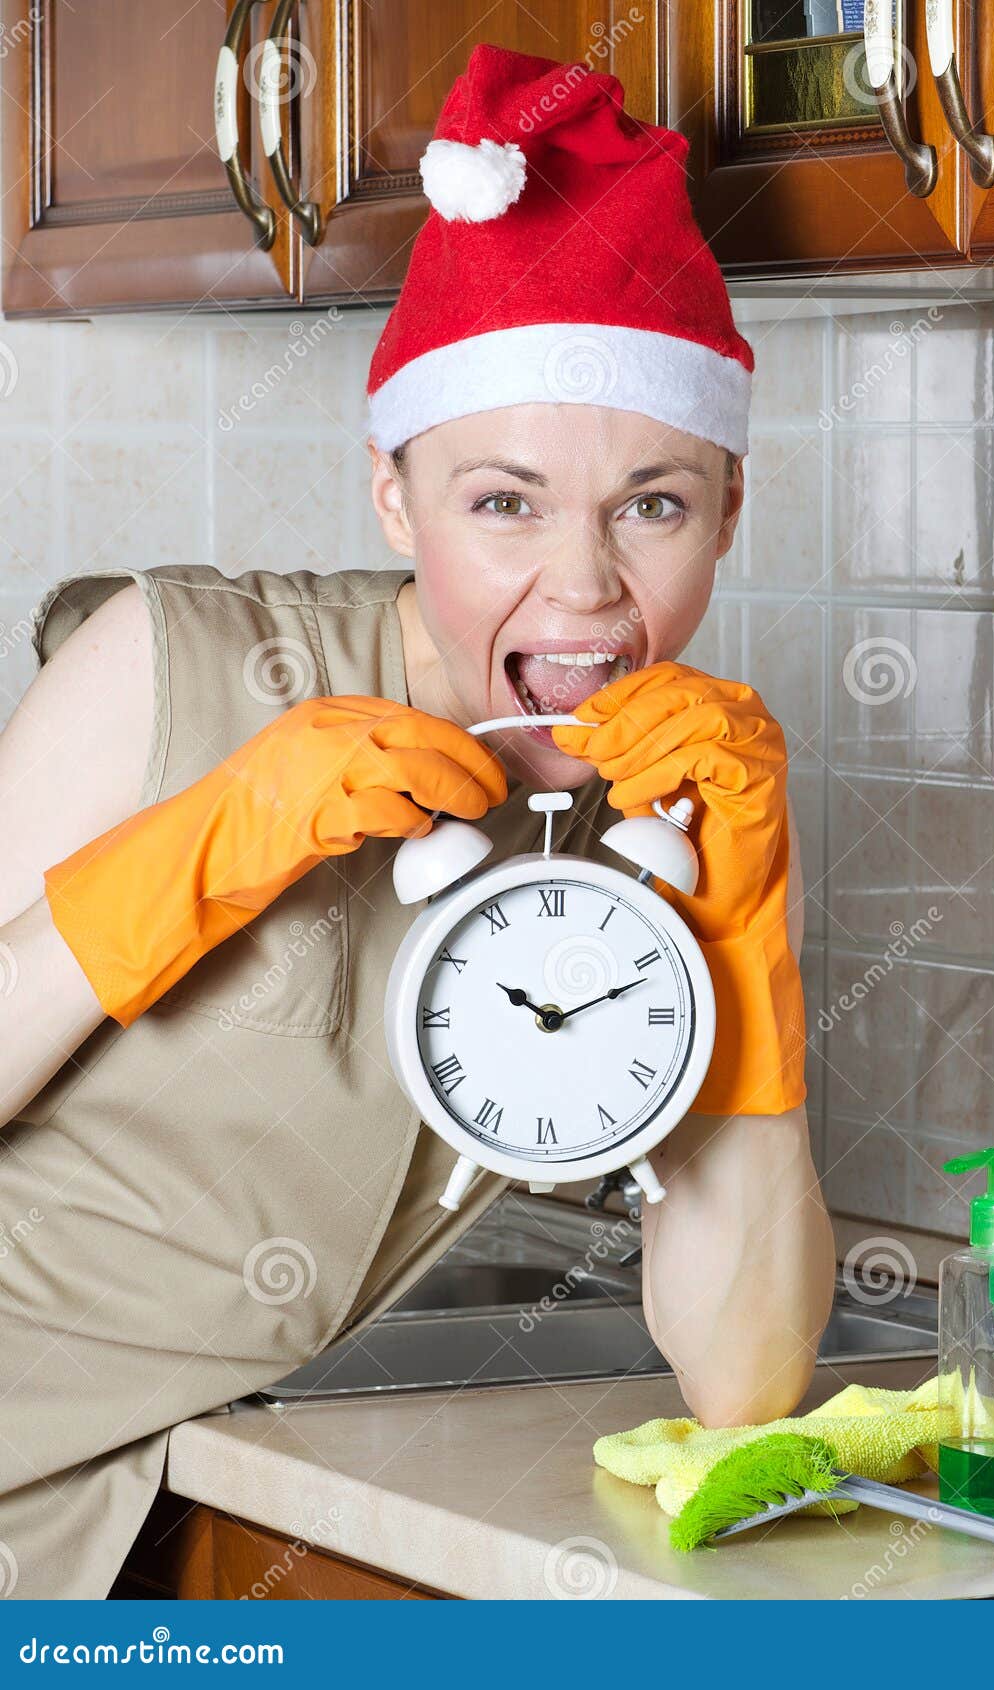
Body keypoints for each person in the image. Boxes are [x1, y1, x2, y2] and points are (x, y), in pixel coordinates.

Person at [0, 42, 833, 1599]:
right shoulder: (175, 666)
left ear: (729, 505)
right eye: (502, 501)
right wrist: (188, 855)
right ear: (394, 497)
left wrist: (744, 930)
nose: (584, 586)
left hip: (155, 1501)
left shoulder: (679, 812)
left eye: (651, 502)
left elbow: (743, 1382)